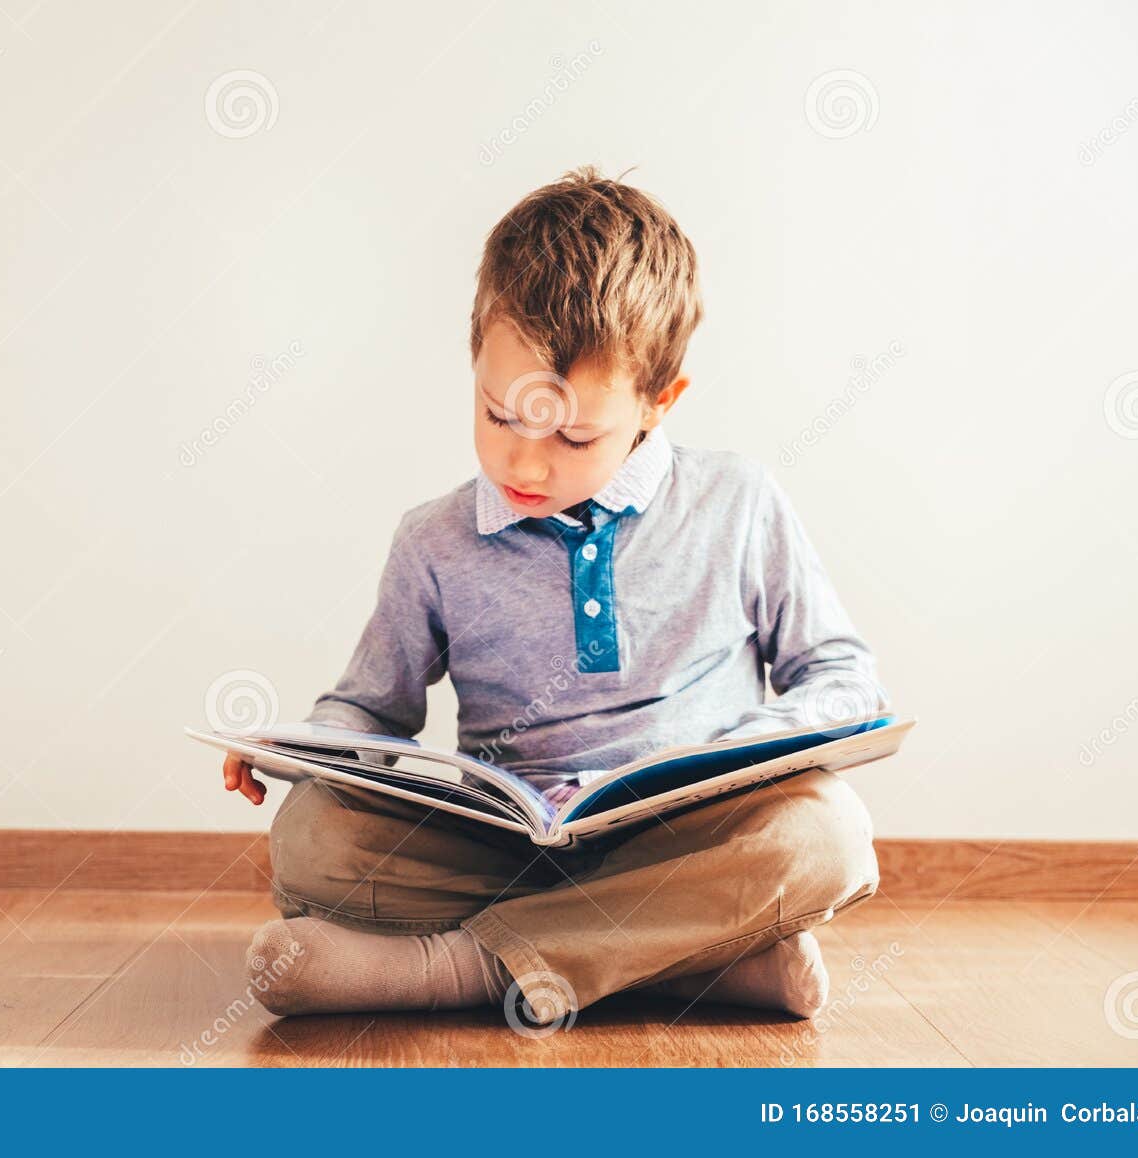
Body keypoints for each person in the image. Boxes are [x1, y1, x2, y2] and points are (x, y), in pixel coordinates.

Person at [221, 165, 885, 1025]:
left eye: (574, 436)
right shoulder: (434, 540)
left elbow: (843, 677)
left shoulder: (740, 504)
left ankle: (455, 969)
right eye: (501, 417)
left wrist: (734, 756)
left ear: (658, 403)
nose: (525, 465)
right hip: (510, 850)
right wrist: (303, 746)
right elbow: (369, 710)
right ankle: (694, 960)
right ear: (475, 367)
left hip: (685, 844)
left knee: (826, 835)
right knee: (311, 841)